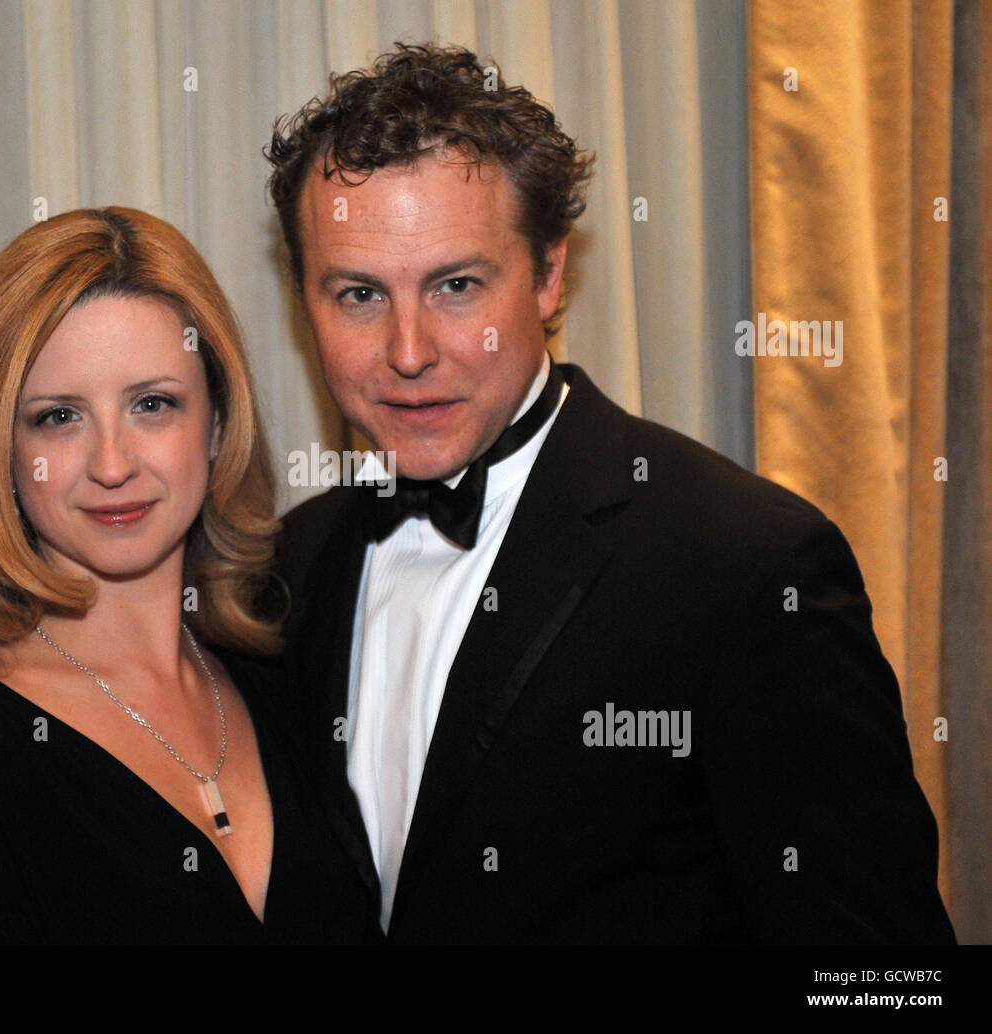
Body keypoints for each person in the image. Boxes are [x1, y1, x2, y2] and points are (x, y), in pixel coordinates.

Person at [264, 42, 956, 943]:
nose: (407, 351)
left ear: (550, 276)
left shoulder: (743, 565)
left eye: (457, 286)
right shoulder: (286, 569)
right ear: (304, 301)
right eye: (358, 294)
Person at [0, 207, 380, 944]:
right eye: (59, 418)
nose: (112, 465)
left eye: (153, 405)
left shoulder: (287, 683)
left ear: (215, 426)